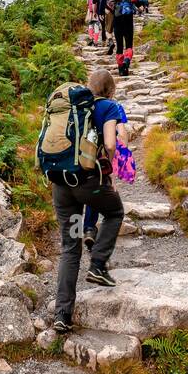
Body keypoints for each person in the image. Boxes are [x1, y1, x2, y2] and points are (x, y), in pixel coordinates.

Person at [50, 69, 126, 333]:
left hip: (62, 188)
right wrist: (111, 167)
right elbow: (110, 143)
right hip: (88, 185)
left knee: (70, 247)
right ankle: (97, 264)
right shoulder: (109, 107)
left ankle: (62, 315)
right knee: (115, 212)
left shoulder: (73, 107)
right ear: (111, 89)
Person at [79, 68, 130, 251]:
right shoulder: (113, 107)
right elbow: (120, 136)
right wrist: (117, 161)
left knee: (80, 196)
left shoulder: (80, 104)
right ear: (112, 90)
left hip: (76, 159)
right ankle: (90, 230)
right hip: (97, 159)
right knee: (98, 189)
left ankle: (79, 232)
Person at [110, 0, 137, 75]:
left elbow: (109, 7)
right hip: (128, 22)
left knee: (119, 46)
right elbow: (136, 5)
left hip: (117, 22)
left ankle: (121, 69)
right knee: (129, 45)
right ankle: (126, 61)